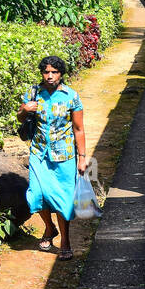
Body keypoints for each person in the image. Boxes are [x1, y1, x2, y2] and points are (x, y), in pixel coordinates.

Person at [18, 57, 87, 261]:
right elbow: (21, 118)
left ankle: (65, 241)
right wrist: (24, 110)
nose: (49, 76)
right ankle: (49, 227)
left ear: (61, 74)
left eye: (54, 72)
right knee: (37, 194)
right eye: (46, 72)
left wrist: (82, 158)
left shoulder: (71, 96)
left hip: (64, 156)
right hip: (39, 152)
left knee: (63, 200)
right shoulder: (33, 93)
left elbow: (79, 129)